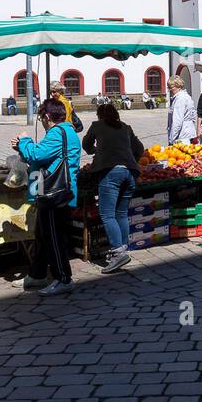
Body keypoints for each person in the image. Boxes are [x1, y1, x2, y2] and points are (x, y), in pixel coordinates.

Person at [15, 100, 80, 296]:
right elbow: (42, 157)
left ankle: (63, 278)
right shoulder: (67, 131)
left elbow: (36, 155)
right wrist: (21, 147)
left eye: (41, 117)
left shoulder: (57, 133)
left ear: (47, 117)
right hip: (55, 191)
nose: (41, 122)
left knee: (53, 238)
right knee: (43, 236)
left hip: (55, 194)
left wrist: (24, 141)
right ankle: (37, 274)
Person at [82, 103, 145, 274]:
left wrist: (97, 151)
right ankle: (123, 249)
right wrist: (130, 158)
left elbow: (86, 145)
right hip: (130, 174)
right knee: (121, 213)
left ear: (99, 115)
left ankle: (118, 252)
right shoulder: (125, 127)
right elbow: (140, 149)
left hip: (110, 173)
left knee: (107, 214)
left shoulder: (97, 126)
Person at [166, 76, 198, 145]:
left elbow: (177, 121)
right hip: (189, 132)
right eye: (168, 87)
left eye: (171, 87)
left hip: (182, 135)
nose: (169, 90)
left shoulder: (180, 99)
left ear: (179, 86)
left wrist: (171, 139)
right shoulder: (186, 96)